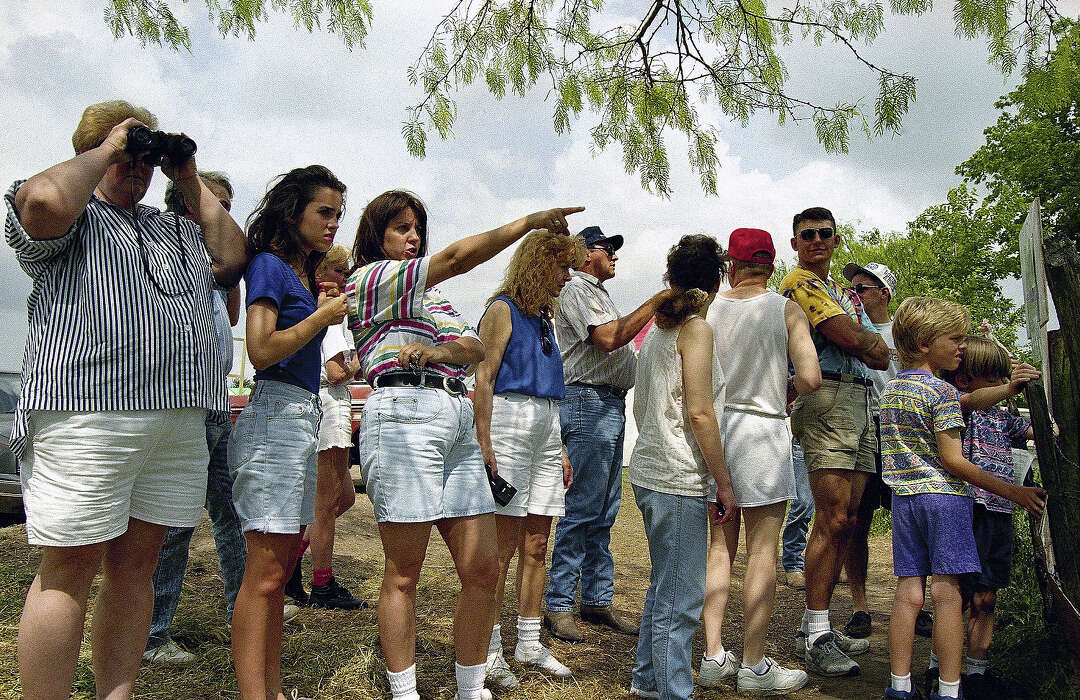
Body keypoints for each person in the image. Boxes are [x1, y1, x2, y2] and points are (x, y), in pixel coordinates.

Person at [7, 100, 247, 699]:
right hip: (86, 414)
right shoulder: (72, 216)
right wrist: (109, 147)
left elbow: (234, 255)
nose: (138, 170)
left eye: (147, 160)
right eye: (129, 159)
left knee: (135, 570)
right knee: (68, 571)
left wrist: (186, 176)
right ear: (97, 152)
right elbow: (38, 205)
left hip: (177, 418)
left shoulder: (176, 229)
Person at [347, 190, 582, 700]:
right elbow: (454, 259)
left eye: (417, 230)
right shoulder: (370, 280)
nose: (413, 239)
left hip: (452, 413)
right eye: (401, 229)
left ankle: (471, 687)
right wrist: (528, 222)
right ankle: (405, 691)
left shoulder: (432, 299)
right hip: (404, 413)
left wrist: (436, 350)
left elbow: (473, 347)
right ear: (376, 236)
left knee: (482, 568)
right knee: (405, 570)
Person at [144, 171, 281, 665]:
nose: (219, 214)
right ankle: (154, 634)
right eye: (210, 204)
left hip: (217, 407)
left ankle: (241, 613)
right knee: (173, 525)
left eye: (226, 205)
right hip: (178, 410)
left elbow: (226, 319)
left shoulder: (221, 264)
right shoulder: (163, 249)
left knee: (234, 517)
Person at [879, 297, 1046, 700]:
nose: (960, 347)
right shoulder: (941, 392)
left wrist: (1008, 388)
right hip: (946, 501)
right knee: (947, 593)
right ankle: (950, 689)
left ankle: (899, 687)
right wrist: (1013, 491)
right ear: (923, 343)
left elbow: (966, 403)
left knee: (908, 592)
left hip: (905, 501)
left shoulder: (892, 391)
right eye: (953, 339)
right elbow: (953, 461)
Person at [228, 165, 349, 700]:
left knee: (278, 576)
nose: (333, 224)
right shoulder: (271, 266)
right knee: (266, 576)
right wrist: (322, 319)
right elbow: (260, 350)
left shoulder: (302, 273)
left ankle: (271, 690)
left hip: (300, 420)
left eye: (338, 216)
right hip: (275, 419)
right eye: (324, 212)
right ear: (292, 210)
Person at [698, 228, 819, 695]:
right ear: (771, 266)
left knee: (718, 549)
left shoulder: (709, 307)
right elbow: (809, 377)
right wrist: (782, 391)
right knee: (763, 552)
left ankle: (712, 656)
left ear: (732, 263)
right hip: (765, 430)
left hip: (718, 430)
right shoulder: (787, 309)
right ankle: (753, 663)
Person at [544, 225, 673, 642]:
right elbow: (608, 338)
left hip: (605, 404)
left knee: (604, 510)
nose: (614, 255)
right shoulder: (578, 288)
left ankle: (597, 600)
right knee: (582, 508)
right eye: (606, 249)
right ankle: (559, 604)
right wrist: (656, 301)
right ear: (583, 255)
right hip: (586, 402)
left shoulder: (595, 291)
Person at [473, 230, 587, 688]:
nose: (567, 277)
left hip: (546, 423)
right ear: (539, 264)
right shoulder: (502, 309)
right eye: (561, 267)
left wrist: (558, 445)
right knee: (499, 550)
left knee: (538, 544)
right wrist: (485, 442)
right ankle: (490, 648)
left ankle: (529, 639)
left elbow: (549, 387)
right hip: (509, 421)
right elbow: (484, 376)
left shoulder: (545, 318)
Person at [780, 206, 889, 676]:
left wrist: (866, 342)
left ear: (837, 239)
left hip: (861, 398)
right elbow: (845, 334)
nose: (817, 241)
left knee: (849, 519)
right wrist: (867, 340)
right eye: (808, 235)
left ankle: (820, 625)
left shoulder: (838, 291)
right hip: (828, 397)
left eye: (825, 233)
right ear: (795, 243)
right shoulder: (800, 283)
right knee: (832, 516)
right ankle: (815, 630)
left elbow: (881, 356)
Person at [937, 336, 1042, 696]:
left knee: (987, 597)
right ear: (964, 379)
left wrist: (1033, 395)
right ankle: (939, 669)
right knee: (957, 598)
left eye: (1003, 378)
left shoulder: (1003, 417)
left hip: (999, 512)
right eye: (994, 378)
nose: (1001, 386)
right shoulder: (955, 405)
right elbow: (972, 401)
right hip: (966, 511)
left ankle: (978, 672)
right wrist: (1010, 387)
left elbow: (1046, 431)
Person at [283, 244, 368, 610]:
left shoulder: (319, 310)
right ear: (322, 275)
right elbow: (336, 371)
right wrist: (360, 363)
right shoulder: (333, 315)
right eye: (339, 272)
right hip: (329, 401)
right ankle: (322, 582)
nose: (345, 279)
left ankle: (292, 565)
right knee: (325, 501)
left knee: (343, 497)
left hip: (326, 401)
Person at [839, 261, 902, 639]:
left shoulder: (906, 333)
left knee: (907, 523)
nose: (855, 294)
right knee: (856, 522)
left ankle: (912, 603)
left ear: (884, 293)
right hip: (862, 431)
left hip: (902, 436)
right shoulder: (850, 331)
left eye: (862, 288)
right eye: (852, 288)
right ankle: (859, 606)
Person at [780, 437, 814, 590]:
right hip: (806, 437)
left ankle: (834, 564)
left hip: (840, 437)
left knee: (835, 508)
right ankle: (793, 563)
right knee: (803, 503)